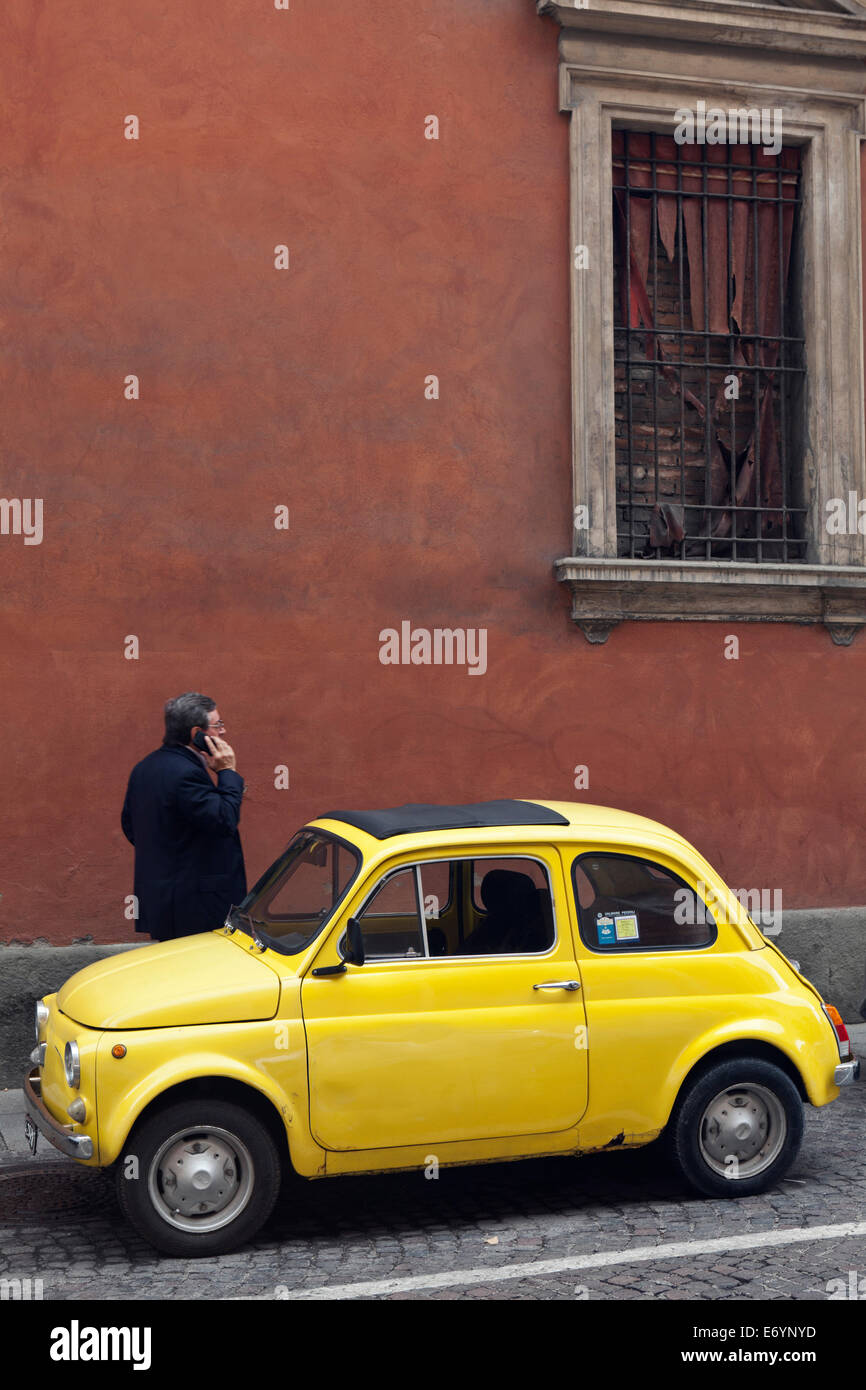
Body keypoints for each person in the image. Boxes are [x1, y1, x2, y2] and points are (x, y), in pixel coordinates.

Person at [121, 692, 247, 942]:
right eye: (217, 725)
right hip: (195, 906)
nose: (223, 732)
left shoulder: (145, 767)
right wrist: (228, 773)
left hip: (167, 901)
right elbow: (225, 820)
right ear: (196, 734)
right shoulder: (185, 774)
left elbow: (130, 827)